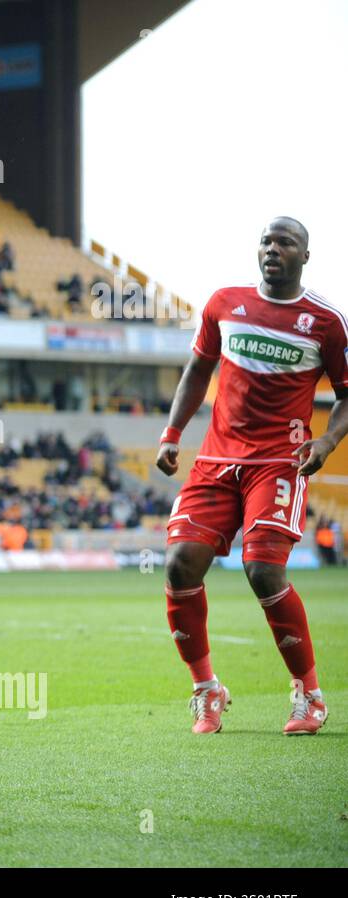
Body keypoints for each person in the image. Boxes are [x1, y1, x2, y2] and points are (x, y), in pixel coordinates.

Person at [156, 216, 347, 736]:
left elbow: (347, 395)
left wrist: (327, 441)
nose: (272, 249)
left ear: (305, 256)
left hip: (279, 462)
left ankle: (309, 695)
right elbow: (198, 370)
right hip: (217, 461)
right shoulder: (224, 304)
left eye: (285, 243)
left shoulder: (326, 322)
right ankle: (206, 689)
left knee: (263, 570)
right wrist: (172, 433)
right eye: (266, 241)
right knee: (177, 565)